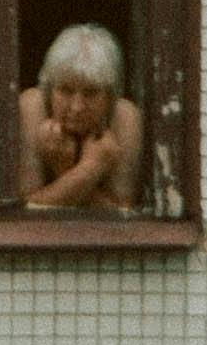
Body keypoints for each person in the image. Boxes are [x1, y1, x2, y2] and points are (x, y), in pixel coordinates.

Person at [16, 24, 144, 213]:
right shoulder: (33, 104)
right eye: (66, 91)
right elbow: (27, 210)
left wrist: (65, 171)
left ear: (110, 96)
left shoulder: (124, 116)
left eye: (91, 93)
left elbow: (122, 217)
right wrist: (91, 168)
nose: (77, 107)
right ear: (49, 89)